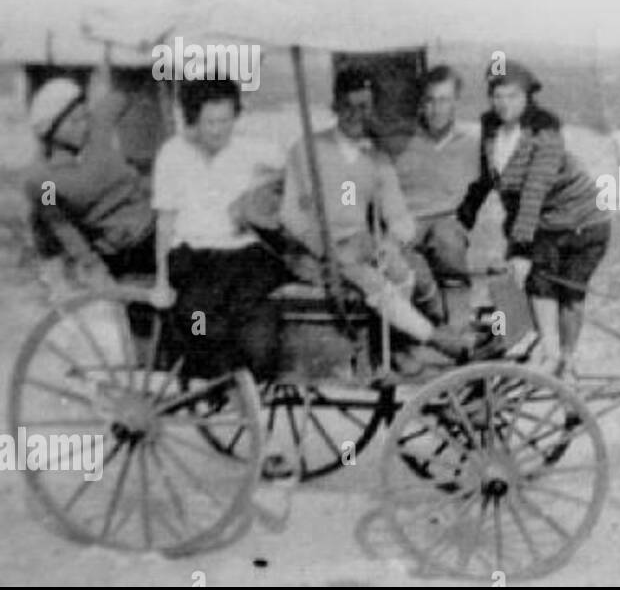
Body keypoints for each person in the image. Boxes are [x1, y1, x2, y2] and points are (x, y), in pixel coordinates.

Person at [279, 70, 473, 360]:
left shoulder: (376, 158)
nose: (358, 115)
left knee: (402, 270)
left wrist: (392, 242)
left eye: (365, 107)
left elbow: (399, 216)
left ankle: (399, 347)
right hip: (312, 254)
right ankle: (432, 339)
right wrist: (324, 246)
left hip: (357, 247)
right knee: (373, 281)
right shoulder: (308, 149)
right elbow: (289, 213)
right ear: (335, 106)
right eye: (350, 106)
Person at [458, 59, 610, 377]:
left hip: (582, 222)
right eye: (497, 95)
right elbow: (488, 177)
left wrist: (522, 248)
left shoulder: (546, 132)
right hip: (541, 224)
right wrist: (463, 217)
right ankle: (551, 352)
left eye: (512, 96)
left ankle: (564, 360)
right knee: (538, 285)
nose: (504, 103)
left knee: (567, 292)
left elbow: (533, 191)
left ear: (527, 97)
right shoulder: (491, 128)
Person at [152, 76, 289, 383]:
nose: (218, 130)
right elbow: (165, 221)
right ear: (192, 120)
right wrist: (161, 282)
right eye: (209, 122)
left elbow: (296, 171)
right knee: (198, 320)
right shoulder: (173, 154)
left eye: (226, 120)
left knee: (257, 325)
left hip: (244, 255)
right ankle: (215, 374)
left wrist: (262, 195)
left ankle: (249, 373)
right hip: (194, 257)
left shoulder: (252, 150)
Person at [23, 77, 155, 289]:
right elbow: (61, 226)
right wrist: (90, 264)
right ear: (51, 131)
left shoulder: (97, 127)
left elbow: (127, 89)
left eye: (85, 116)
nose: (83, 126)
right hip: (121, 250)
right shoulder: (45, 179)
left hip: (153, 223)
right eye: (74, 121)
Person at [393, 65, 481, 332]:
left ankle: (458, 327)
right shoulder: (401, 140)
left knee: (448, 240)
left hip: (445, 222)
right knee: (402, 262)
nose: (436, 108)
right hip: (406, 222)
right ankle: (436, 323)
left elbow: (485, 185)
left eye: (444, 100)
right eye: (429, 100)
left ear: (455, 102)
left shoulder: (470, 144)